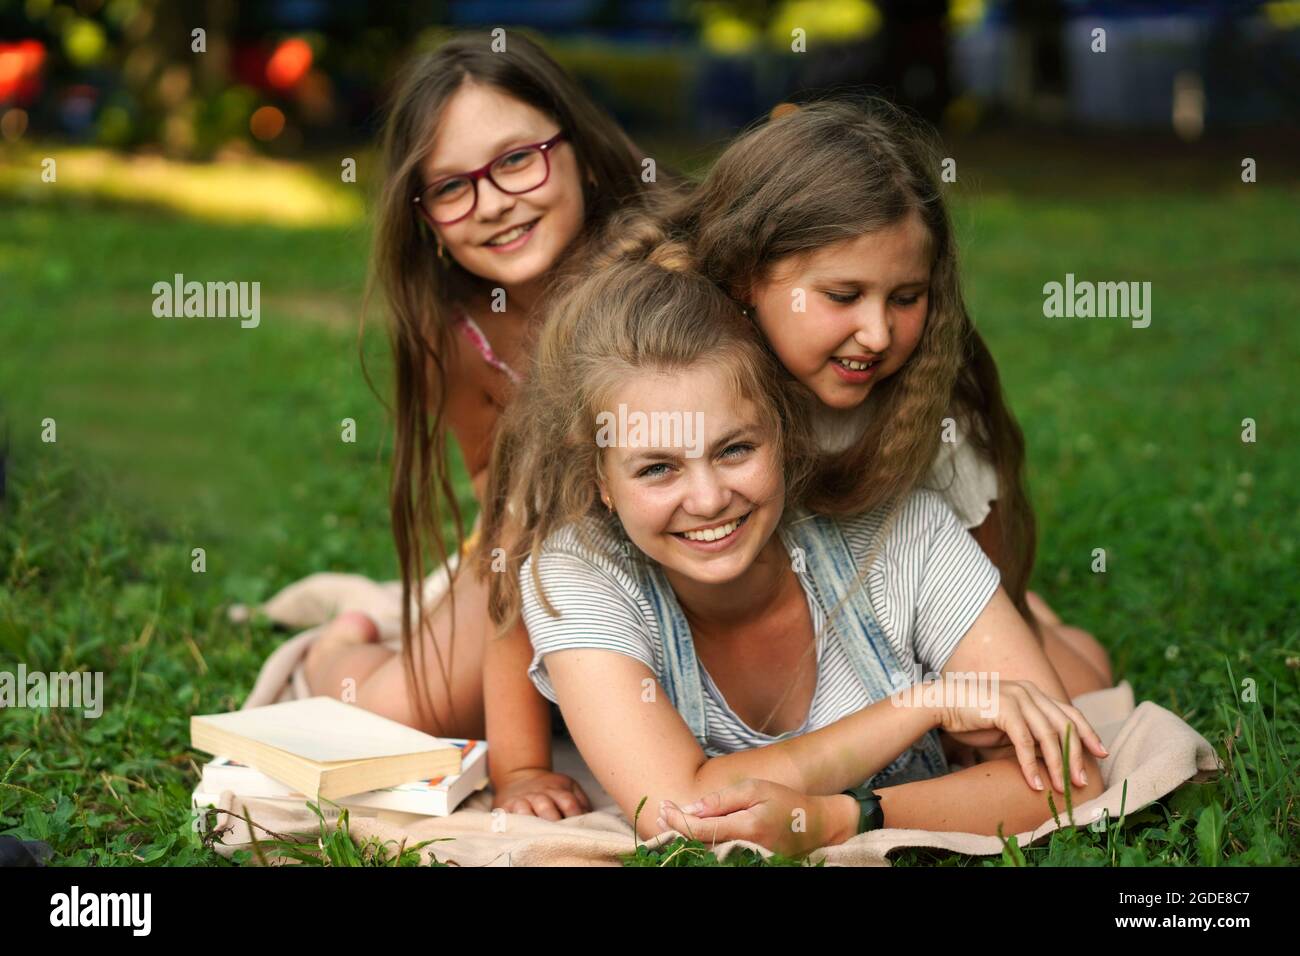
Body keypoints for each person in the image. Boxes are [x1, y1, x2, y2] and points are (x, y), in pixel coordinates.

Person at [480, 238, 1107, 854]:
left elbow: (1069, 776)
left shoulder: (902, 531)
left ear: (783, 434)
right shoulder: (578, 572)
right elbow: (674, 807)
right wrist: (925, 703)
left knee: (1083, 675)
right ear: (602, 484)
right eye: (656, 469)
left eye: (734, 450)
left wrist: (841, 819)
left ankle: (1042, 623)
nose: (707, 500)